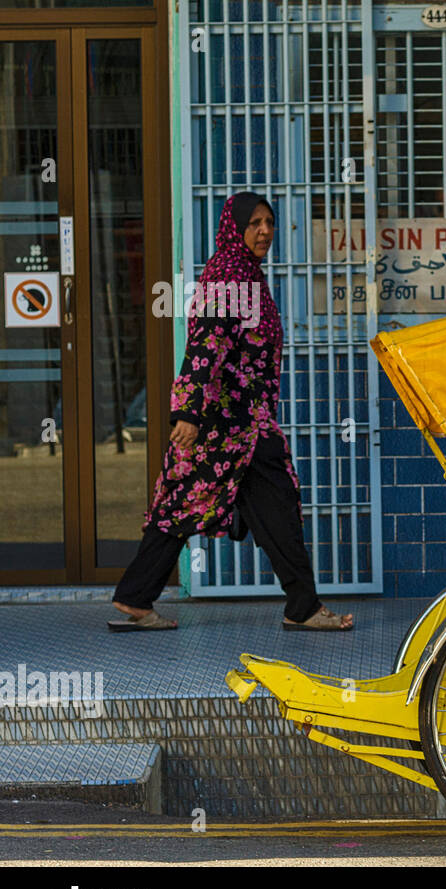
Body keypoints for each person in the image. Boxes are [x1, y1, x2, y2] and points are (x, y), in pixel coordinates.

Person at [110, 192, 353, 632]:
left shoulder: (243, 272)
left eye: (269, 222)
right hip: (233, 422)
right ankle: (303, 607)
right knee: (274, 506)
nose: (265, 231)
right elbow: (205, 344)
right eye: (255, 223)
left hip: (234, 422)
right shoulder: (230, 277)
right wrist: (188, 411)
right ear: (234, 227)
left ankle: (135, 597)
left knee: (185, 504)